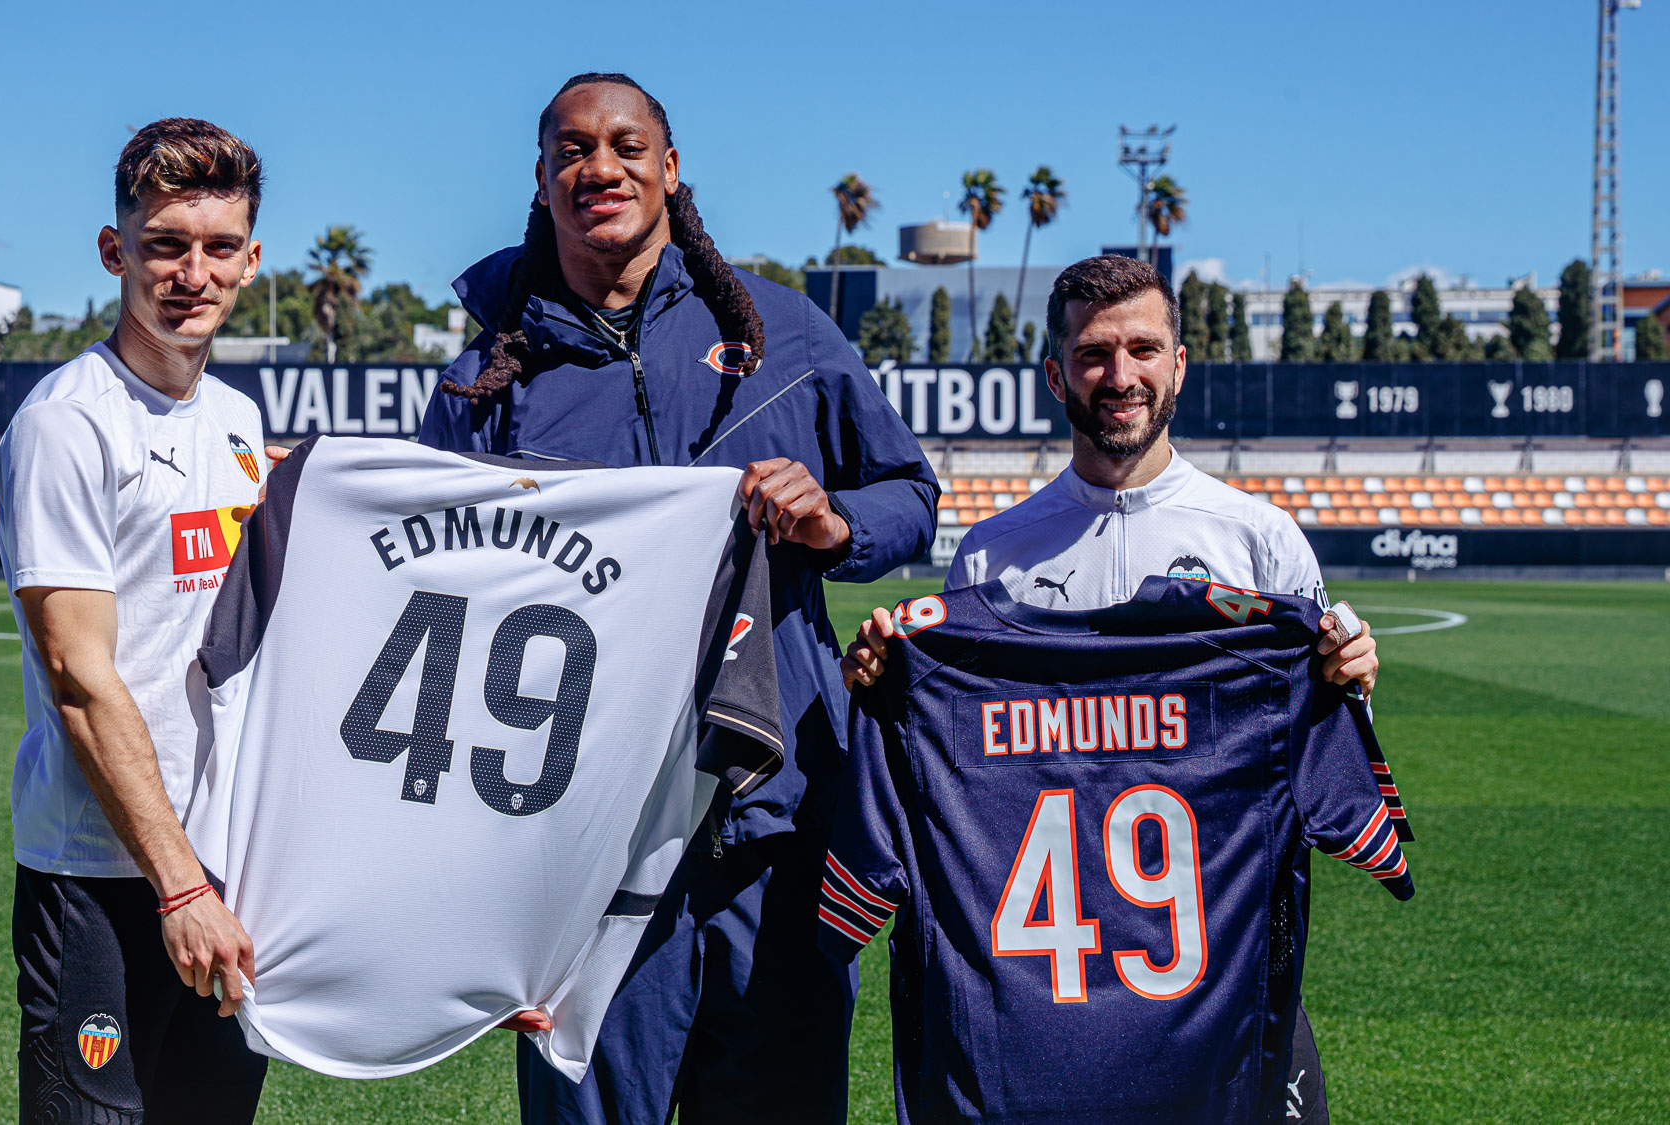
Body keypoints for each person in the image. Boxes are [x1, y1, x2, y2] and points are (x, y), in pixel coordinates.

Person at [415, 73, 939, 1124]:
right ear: (541, 176)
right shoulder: (484, 380)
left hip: (776, 829)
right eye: (570, 150)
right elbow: (431, 606)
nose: (596, 169)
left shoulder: (783, 333)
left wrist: (833, 524)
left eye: (622, 145)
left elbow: (910, 498)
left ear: (668, 165)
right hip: (580, 852)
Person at [843, 253, 1381, 1124]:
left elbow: (1314, 742)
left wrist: (1349, 682)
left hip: (1221, 992)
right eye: (1094, 354)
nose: (1120, 375)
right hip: (1042, 1014)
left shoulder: (1262, 542)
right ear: (1056, 373)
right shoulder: (994, 552)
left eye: (1143, 349)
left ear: (1178, 363)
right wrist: (880, 680)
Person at [0, 118, 271, 1124]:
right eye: (163, 245)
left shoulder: (238, 425)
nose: (189, 273)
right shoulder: (67, 425)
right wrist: (178, 888)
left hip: (224, 867)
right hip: (105, 881)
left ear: (250, 259)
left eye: (215, 248)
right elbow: (79, 679)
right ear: (116, 252)